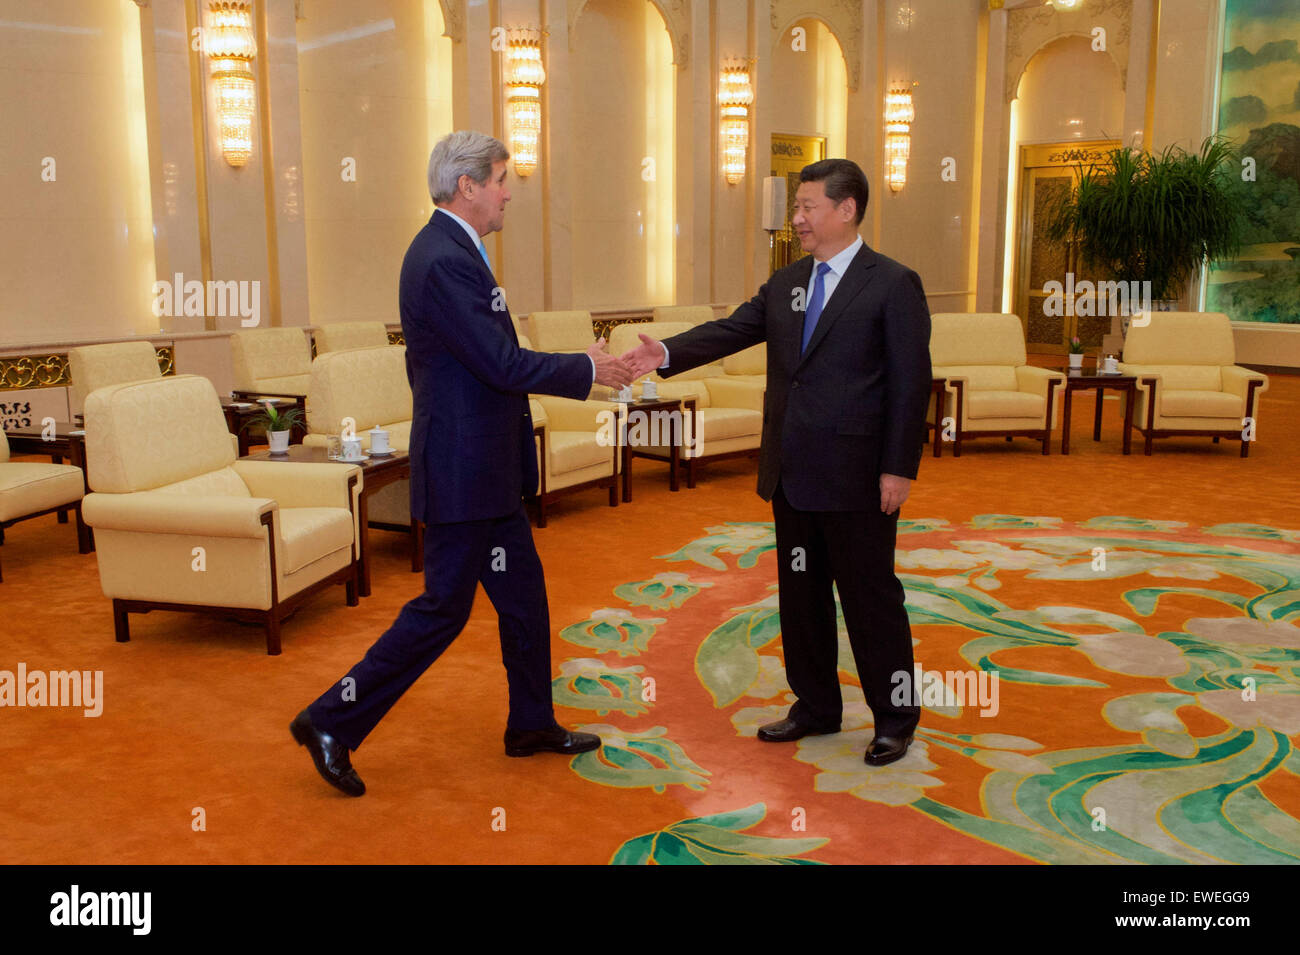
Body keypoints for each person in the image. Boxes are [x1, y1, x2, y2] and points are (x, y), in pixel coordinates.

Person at [291, 130, 635, 796]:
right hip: (463, 470)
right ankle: (330, 719)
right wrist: (588, 366)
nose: (510, 192)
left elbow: (492, 361)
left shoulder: (458, 251)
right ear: (468, 186)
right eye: (502, 179)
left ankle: (531, 722)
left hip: (488, 472)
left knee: (525, 601)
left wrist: (581, 366)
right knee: (440, 611)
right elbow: (501, 364)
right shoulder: (443, 259)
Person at [621, 158, 932, 766]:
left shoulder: (893, 283)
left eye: (807, 207)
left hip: (859, 477)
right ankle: (816, 706)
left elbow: (909, 383)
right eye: (797, 208)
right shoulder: (789, 280)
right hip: (792, 471)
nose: (797, 219)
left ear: (846, 210)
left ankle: (895, 717)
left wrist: (899, 467)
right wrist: (664, 351)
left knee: (870, 600)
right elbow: (733, 329)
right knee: (801, 594)